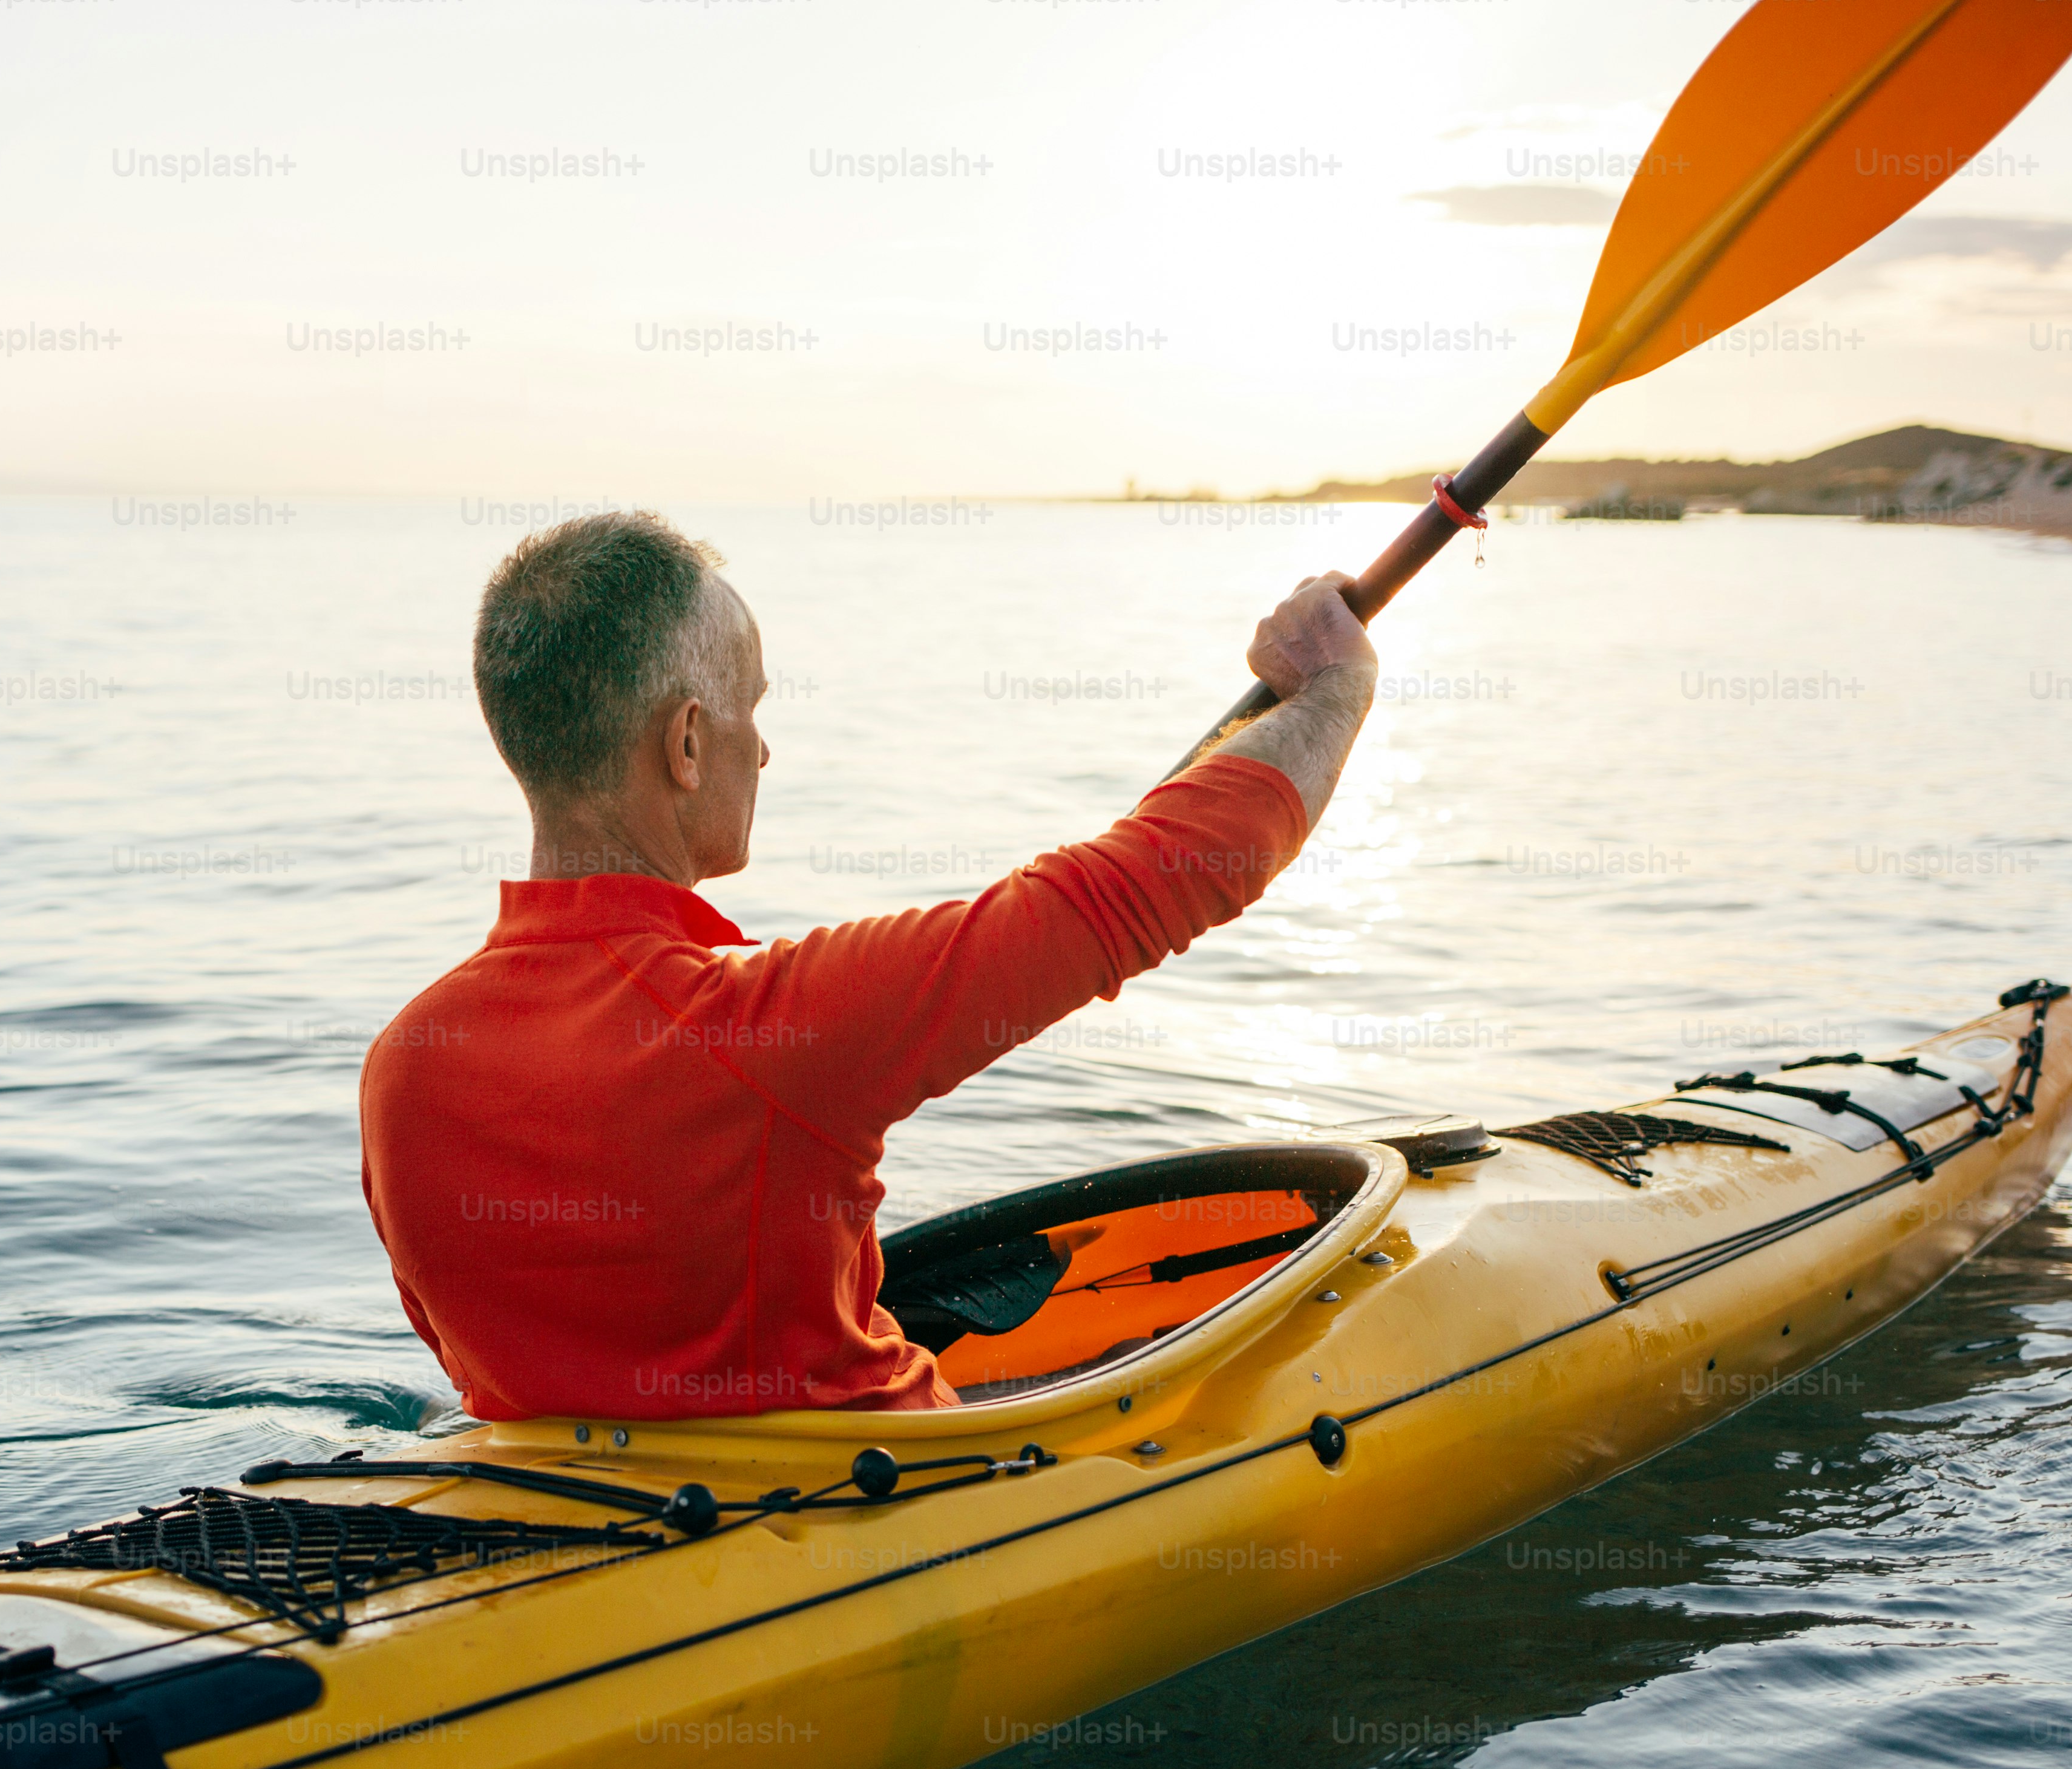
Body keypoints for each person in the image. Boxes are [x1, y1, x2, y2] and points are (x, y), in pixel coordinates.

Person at [359, 511, 1375, 1424]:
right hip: (857, 1507)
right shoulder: (768, 1031)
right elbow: (1144, 885)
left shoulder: (403, 1067)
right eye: (750, 710)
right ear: (684, 742)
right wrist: (1334, 688)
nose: (761, 752)